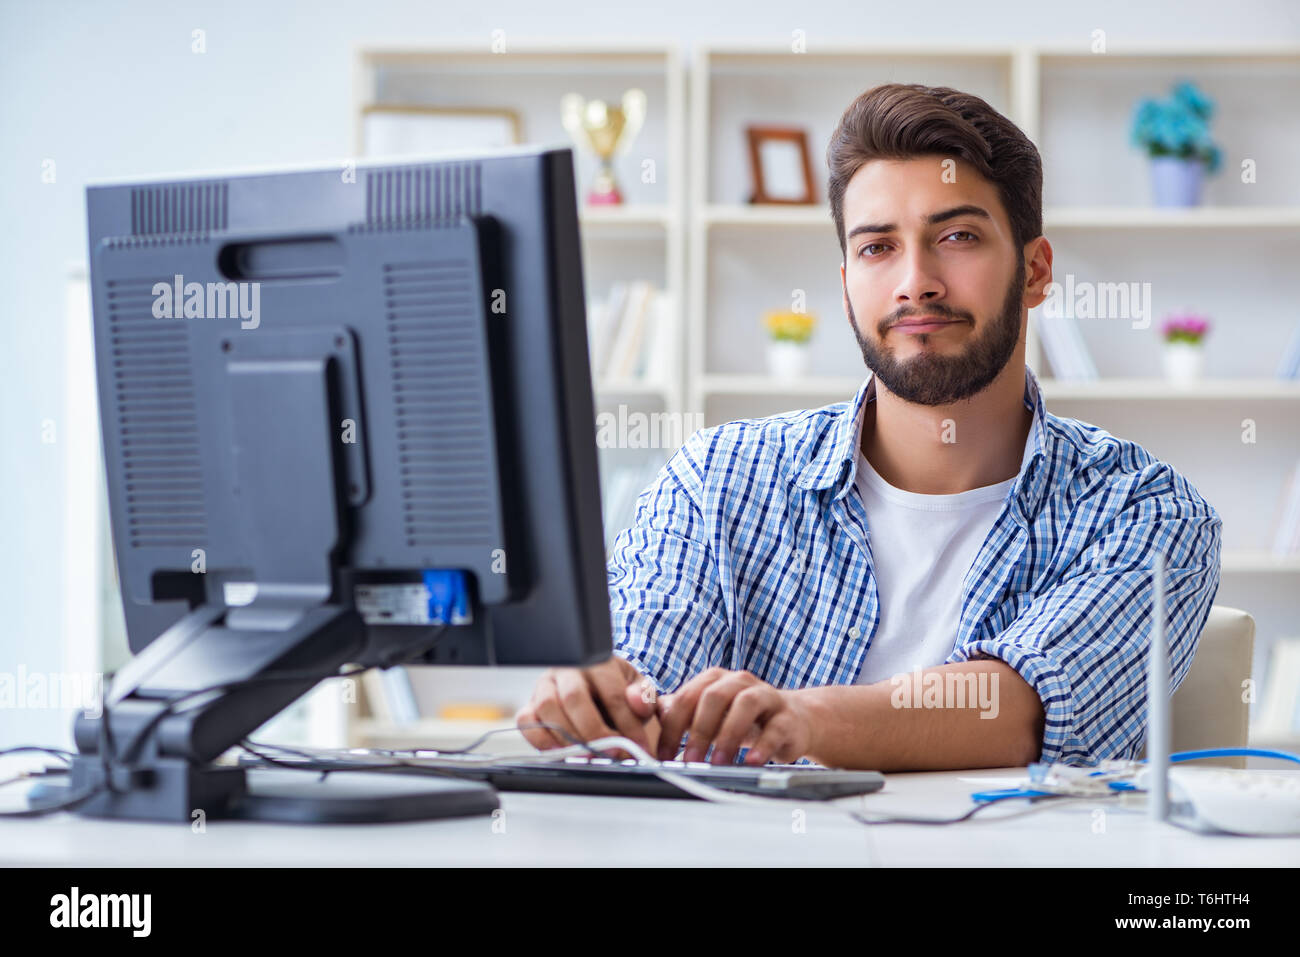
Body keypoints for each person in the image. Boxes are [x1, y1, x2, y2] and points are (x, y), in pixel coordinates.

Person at [516, 83, 1222, 771]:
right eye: (878, 247)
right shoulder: (718, 480)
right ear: (847, 280)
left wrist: (799, 720)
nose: (916, 281)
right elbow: (641, 678)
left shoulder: (1147, 512)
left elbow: (1021, 711)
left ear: (1035, 271)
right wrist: (598, 699)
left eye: (957, 235)